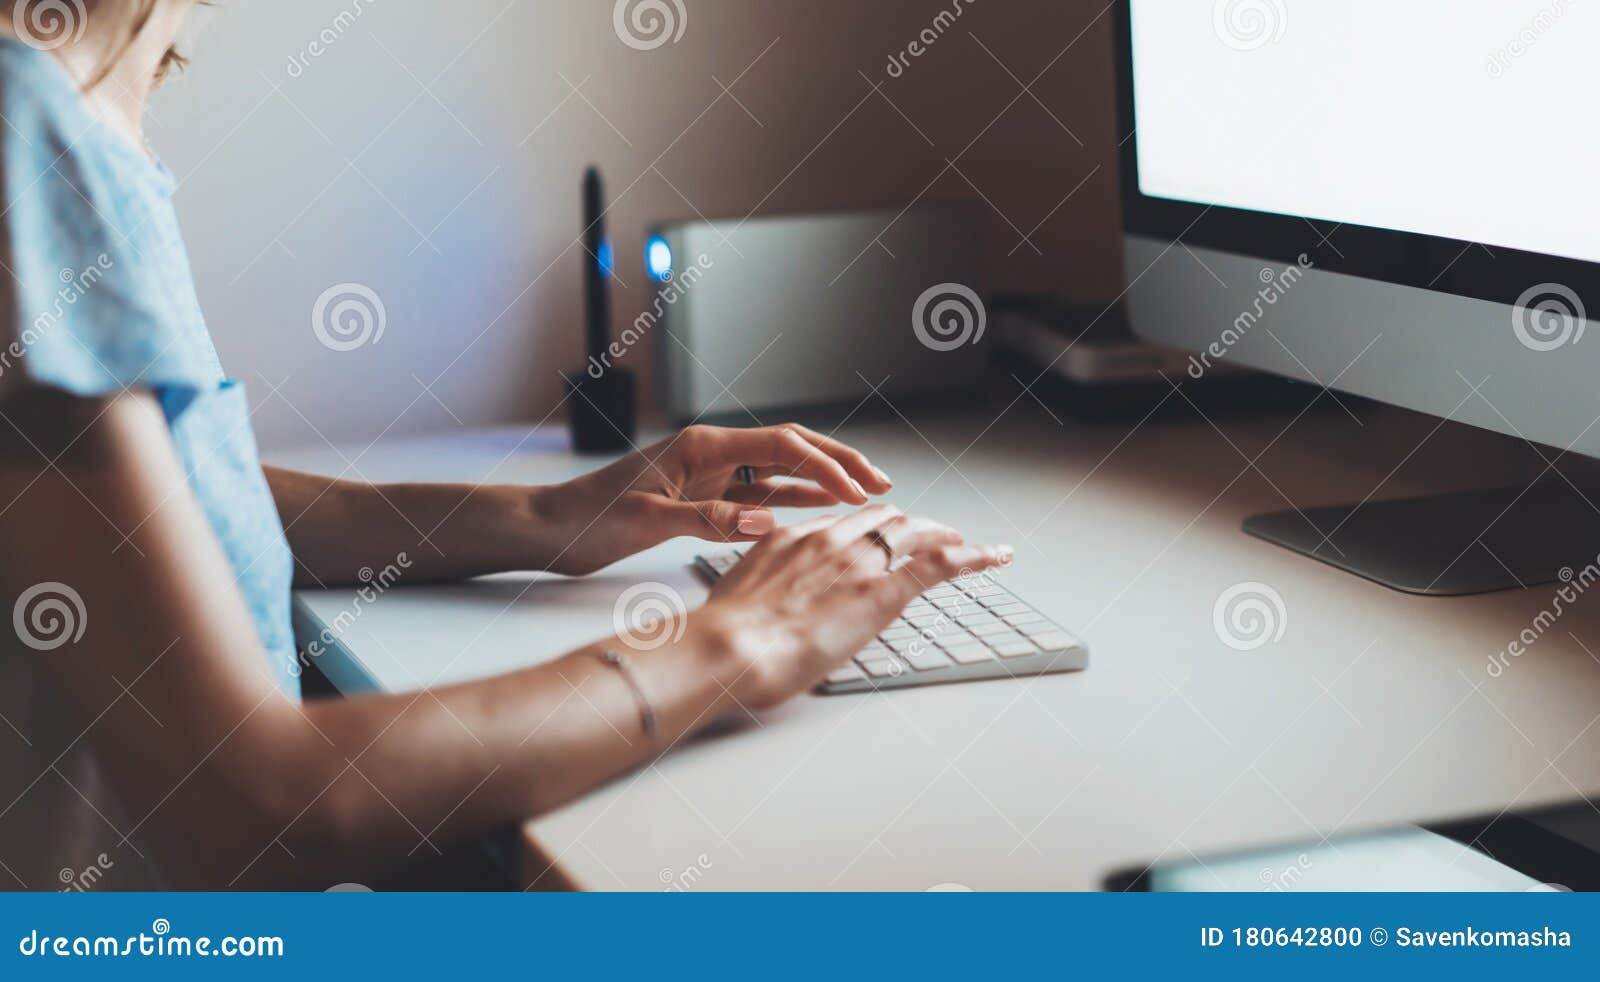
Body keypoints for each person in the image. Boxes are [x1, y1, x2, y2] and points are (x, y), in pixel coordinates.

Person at [0, 0, 1012, 889]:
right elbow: (261, 807)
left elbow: (160, 513)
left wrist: (540, 518)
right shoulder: (23, 123)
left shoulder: (67, 105)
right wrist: (740, 641)